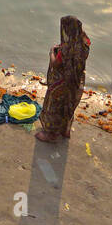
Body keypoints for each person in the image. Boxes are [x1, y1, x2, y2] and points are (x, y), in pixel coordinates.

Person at [35, 15, 90, 143]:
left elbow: (56, 63)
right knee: (69, 104)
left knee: (54, 106)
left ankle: (51, 134)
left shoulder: (66, 49)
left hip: (62, 81)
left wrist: (51, 53)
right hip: (76, 80)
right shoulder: (84, 42)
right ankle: (65, 130)